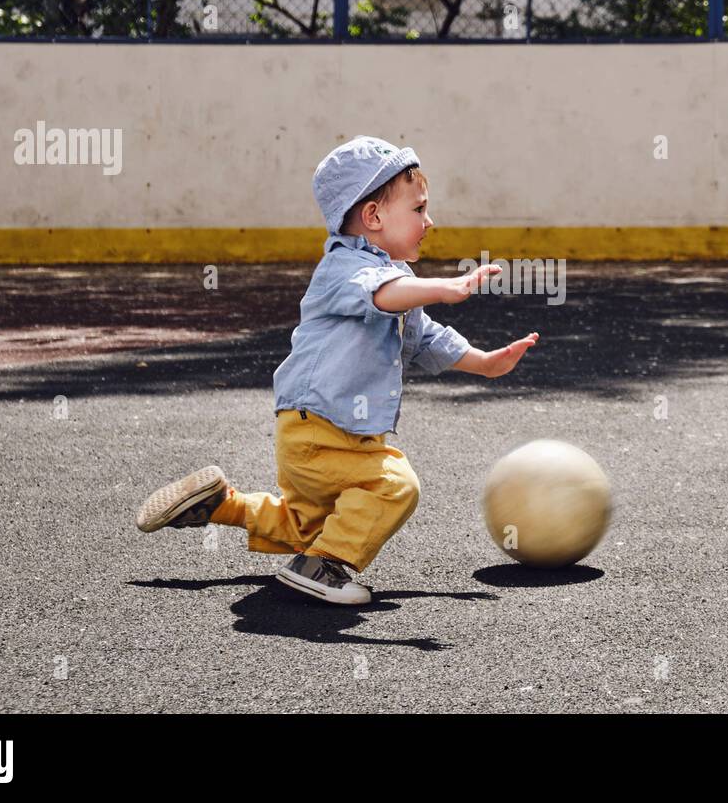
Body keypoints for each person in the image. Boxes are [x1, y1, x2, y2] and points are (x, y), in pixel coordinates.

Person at [135, 136, 538, 605]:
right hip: (321, 431)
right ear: (373, 217)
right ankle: (322, 567)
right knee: (395, 485)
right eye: (419, 208)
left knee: (303, 523)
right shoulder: (345, 268)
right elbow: (381, 294)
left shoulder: (396, 276)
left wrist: (485, 363)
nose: (430, 221)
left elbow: (425, 338)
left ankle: (222, 504)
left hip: (322, 434)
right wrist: (444, 288)